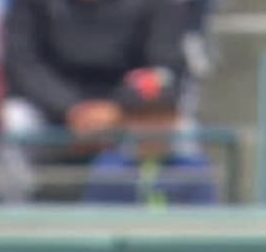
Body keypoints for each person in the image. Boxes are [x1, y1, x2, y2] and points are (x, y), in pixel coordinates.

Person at [0, 0, 184, 198]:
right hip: (54, 111)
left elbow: (164, 65)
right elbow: (22, 63)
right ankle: (14, 229)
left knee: (182, 129)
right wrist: (71, 108)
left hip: (129, 111)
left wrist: (118, 108)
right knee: (12, 123)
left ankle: (170, 231)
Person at [81, 66, 217, 205]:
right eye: (142, 116)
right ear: (124, 120)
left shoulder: (194, 168)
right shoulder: (108, 167)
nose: (153, 126)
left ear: (176, 117)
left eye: (162, 115)